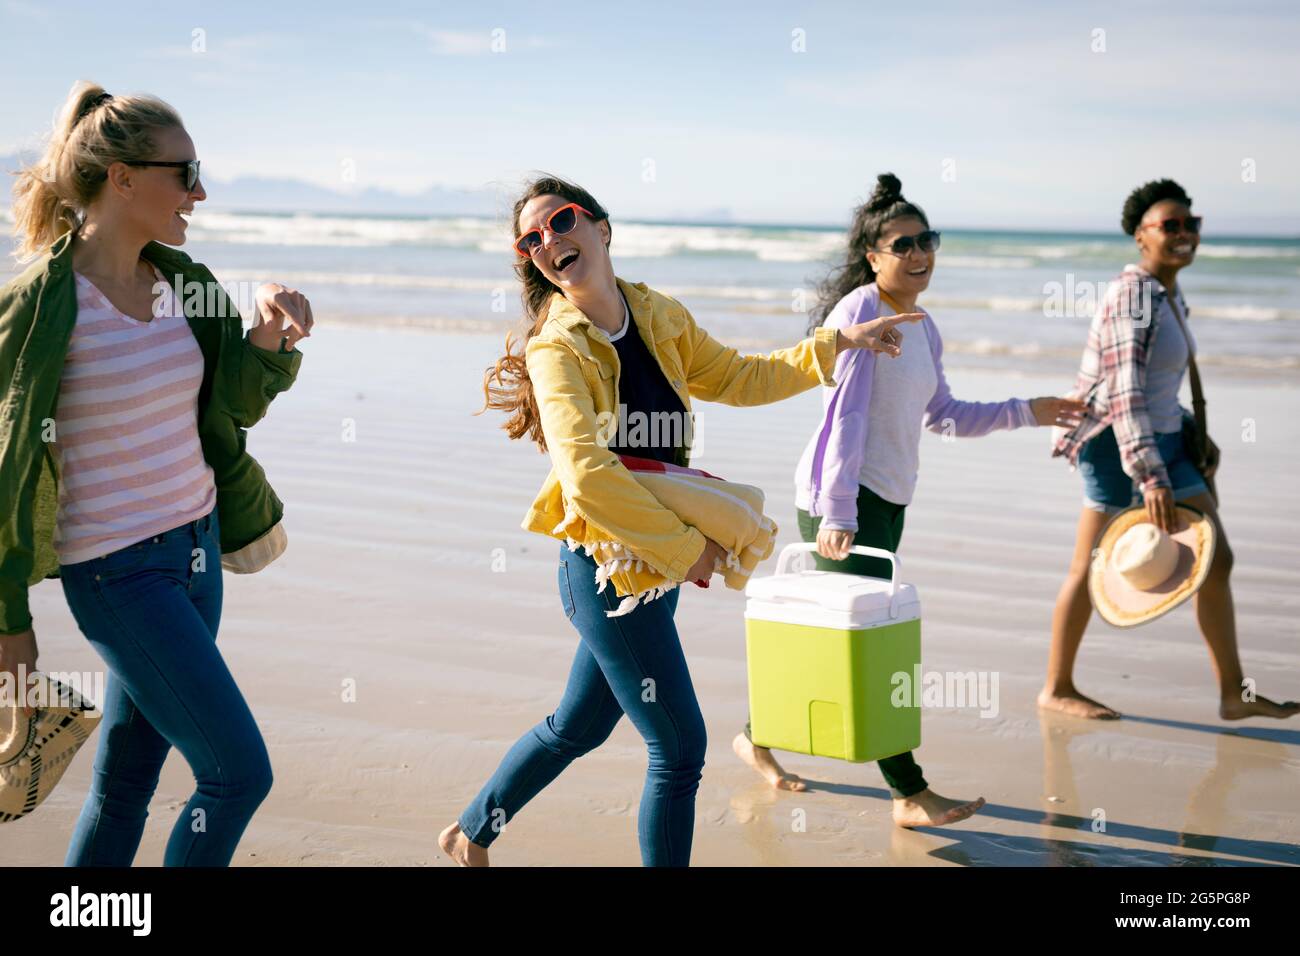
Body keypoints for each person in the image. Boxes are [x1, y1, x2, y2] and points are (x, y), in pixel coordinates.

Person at [438, 174, 919, 867]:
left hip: (653, 562)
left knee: (578, 726)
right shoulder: (556, 349)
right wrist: (687, 547)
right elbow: (586, 476)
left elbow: (737, 377)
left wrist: (838, 344)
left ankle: (468, 833)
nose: (549, 241)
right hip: (607, 568)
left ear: (602, 228)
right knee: (680, 748)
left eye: (563, 221)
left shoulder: (656, 313)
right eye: (531, 239)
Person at [0, 81, 314, 865]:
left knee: (125, 787)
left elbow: (226, 410)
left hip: (198, 555)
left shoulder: (188, 283)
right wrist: (10, 625)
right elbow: (3, 473)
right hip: (117, 574)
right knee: (236, 775)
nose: (199, 192)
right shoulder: (37, 305)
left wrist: (270, 342)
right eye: (186, 172)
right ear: (124, 177)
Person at [735, 173, 1087, 828]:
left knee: (841, 635)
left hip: (889, 499)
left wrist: (1028, 409)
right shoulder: (862, 314)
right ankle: (910, 794)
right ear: (873, 255)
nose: (920, 252)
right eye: (904, 243)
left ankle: (757, 735)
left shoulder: (922, 325)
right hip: (846, 499)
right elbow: (844, 418)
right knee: (872, 645)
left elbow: (945, 414)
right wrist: (839, 513)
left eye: (928, 239)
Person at [1042, 178, 1299, 722]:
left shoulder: (1167, 293)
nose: (1184, 234)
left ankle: (1235, 693)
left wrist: (1189, 430)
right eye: (1170, 226)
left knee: (1216, 558)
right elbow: (1125, 390)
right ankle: (1056, 687)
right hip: (1116, 443)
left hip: (1162, 437)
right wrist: (1151, 474)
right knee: (1091, 566)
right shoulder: (1131, 296)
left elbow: (1157, 389)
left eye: (1191, 224)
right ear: (1141, 236)